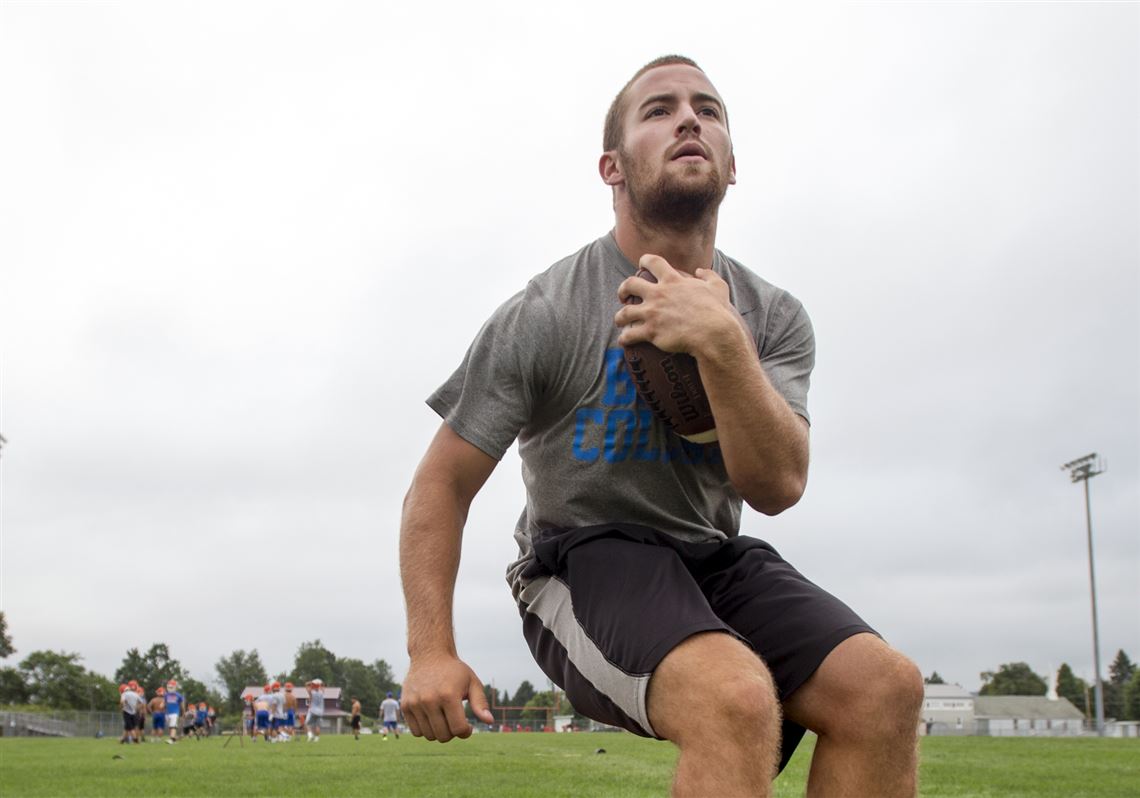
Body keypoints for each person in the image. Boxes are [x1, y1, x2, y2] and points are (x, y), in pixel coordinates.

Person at [398, 55, 924, 797]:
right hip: (581, 557)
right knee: (733, 695)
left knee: (885, 688)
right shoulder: (546, 313)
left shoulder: (771, 317)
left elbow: (777, 486)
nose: (689, 119)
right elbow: (440, 486)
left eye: (708, 110)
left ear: (731, 165)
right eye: (659, 109)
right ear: (611, 167)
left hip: (713, 557)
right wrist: (430, 651)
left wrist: (720, 340)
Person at [163, 679, 182, 744]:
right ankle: (173, 739)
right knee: (170, 727)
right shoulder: (166, 695)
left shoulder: (178, 695)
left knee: (173, 726)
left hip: (175, 713)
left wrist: (183, 712)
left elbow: (182, 704)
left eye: (171, 687)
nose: (170, 688)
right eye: (169, 687)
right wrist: (162, 705)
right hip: (167, 713)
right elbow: (164, 702)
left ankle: (171, 740)